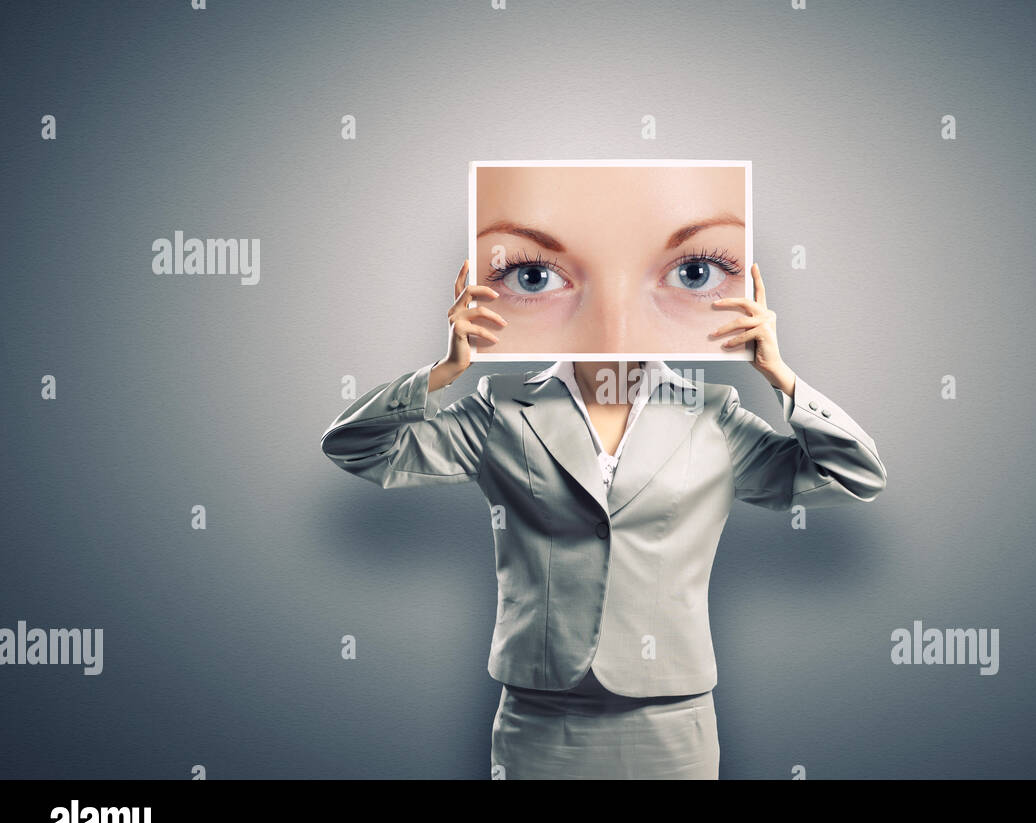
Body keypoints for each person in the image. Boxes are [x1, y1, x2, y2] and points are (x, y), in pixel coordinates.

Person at [320, 259, 887, 779]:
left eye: (690, 271)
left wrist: (779, 375)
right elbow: (360, 449)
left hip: (671, 714)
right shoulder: (502, 406)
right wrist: (443, 373)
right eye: (539, 275)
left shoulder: (712, 412)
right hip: (540, 711)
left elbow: (853, 476)